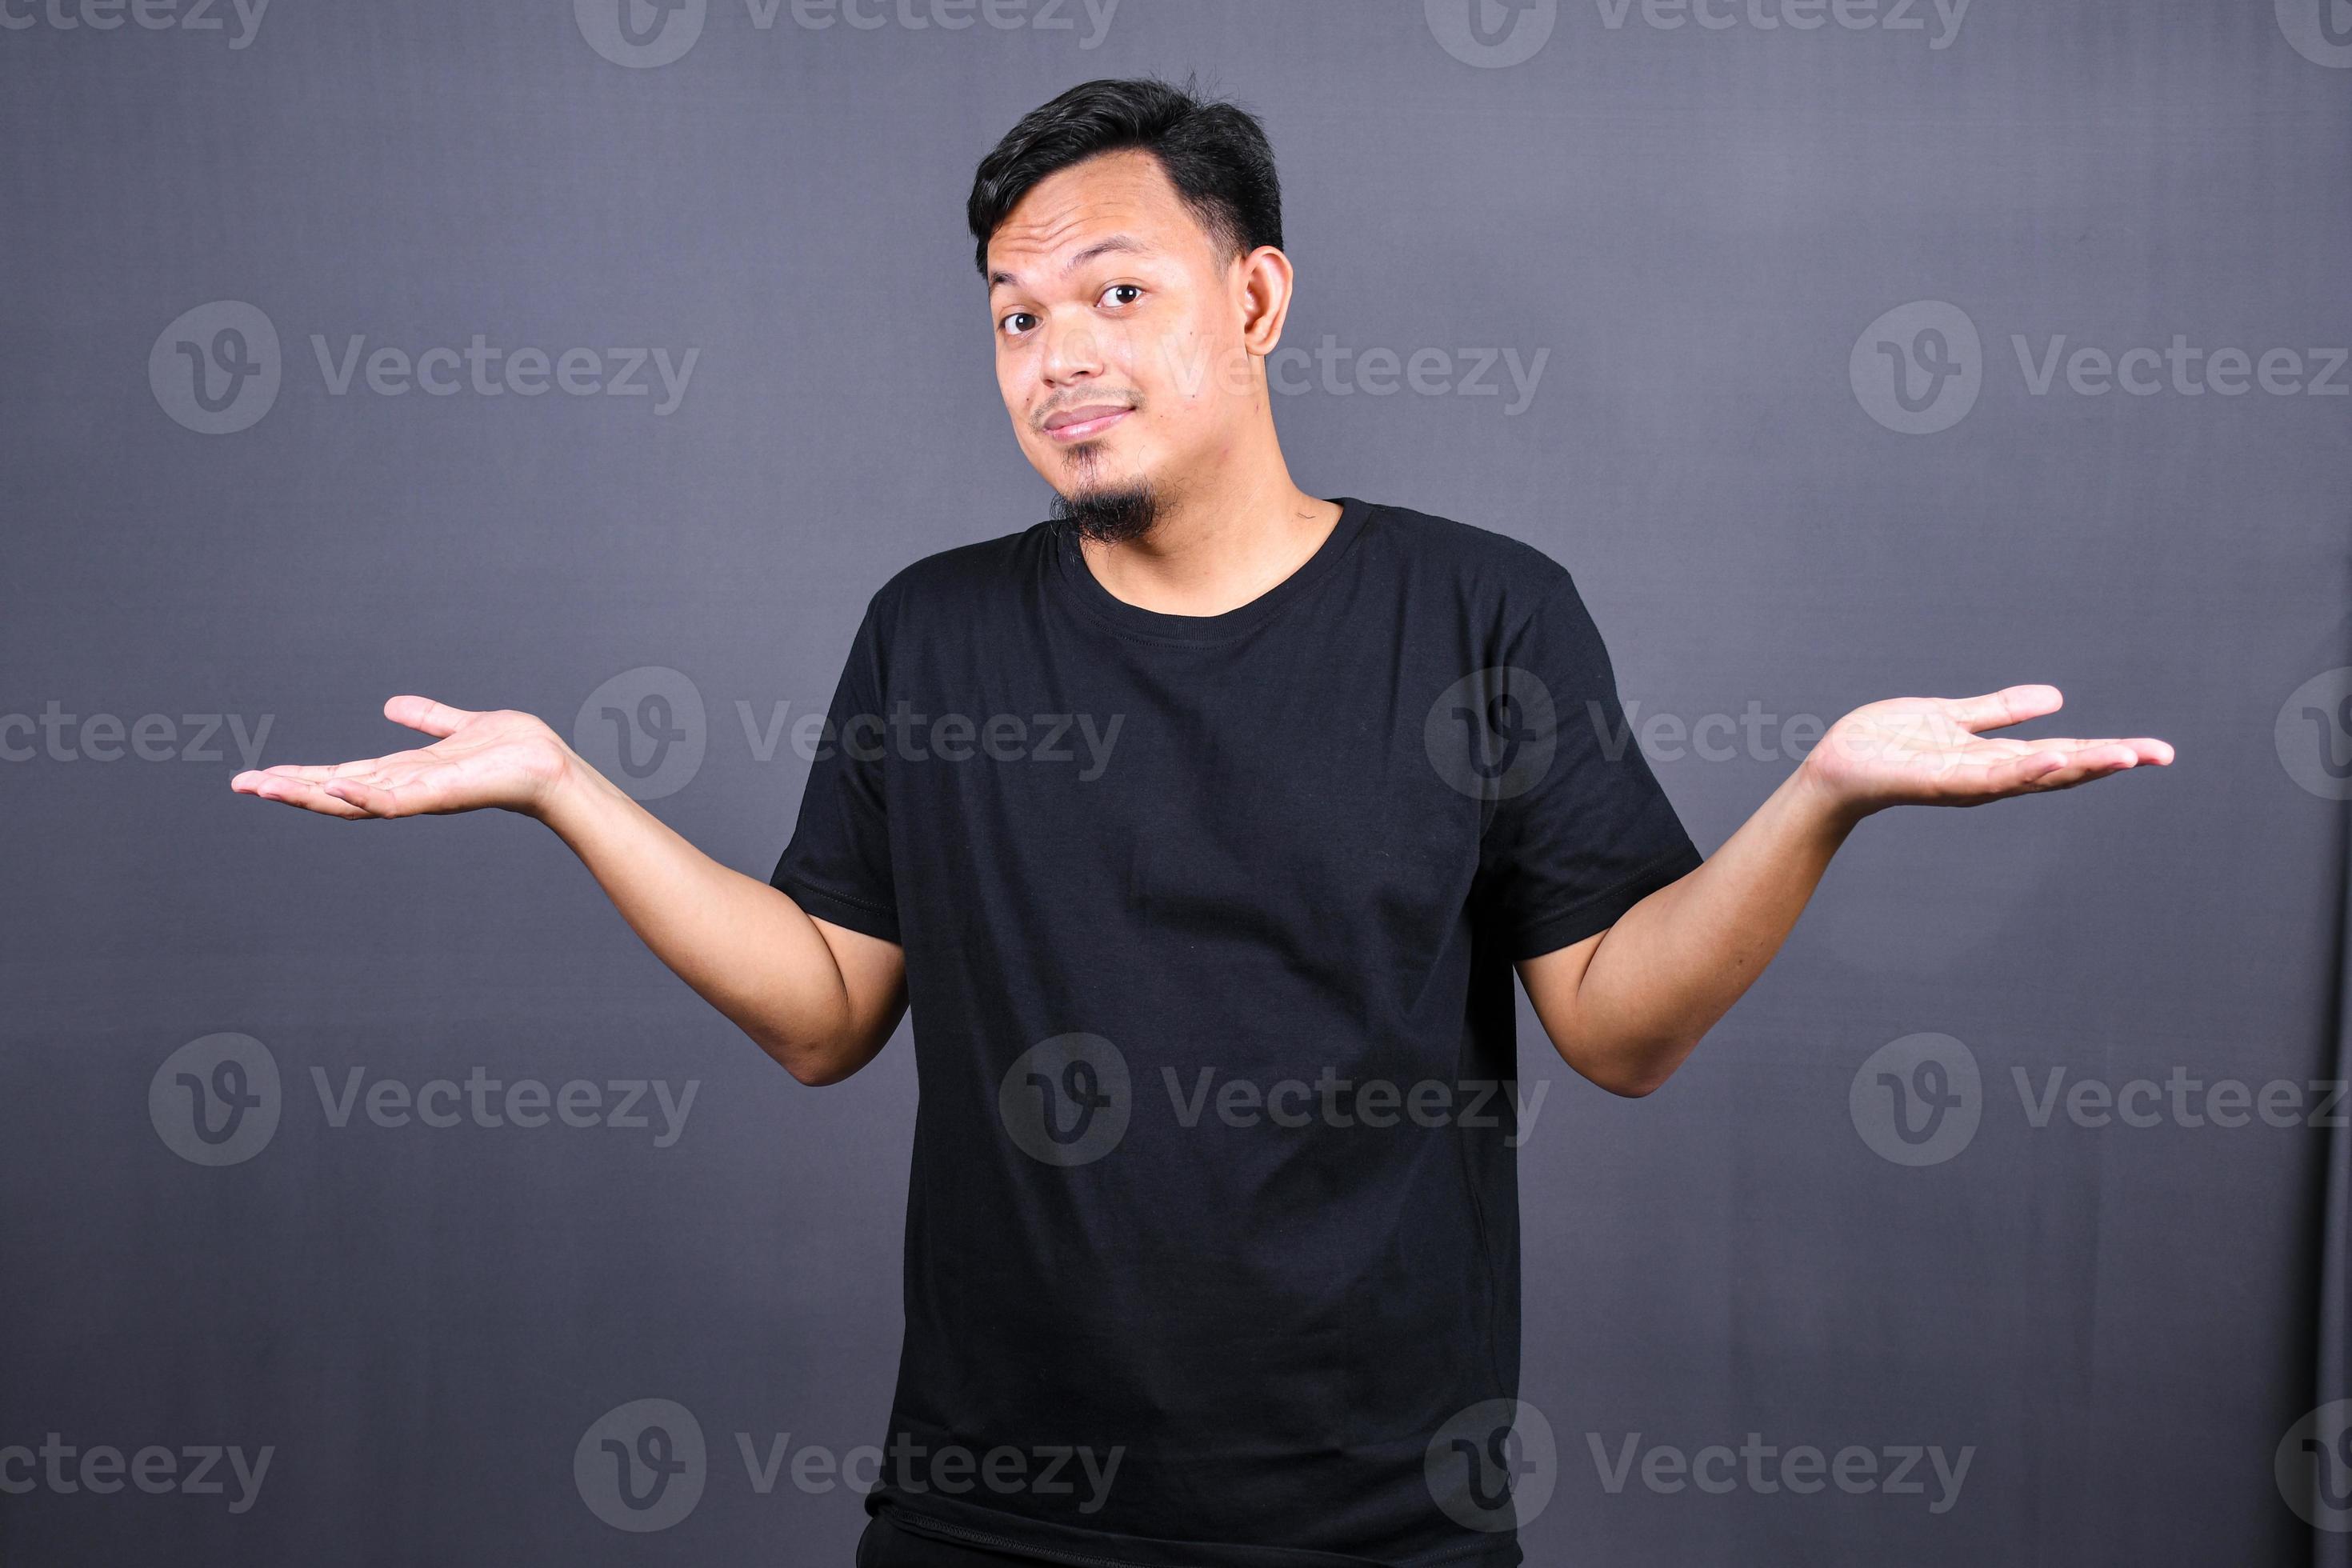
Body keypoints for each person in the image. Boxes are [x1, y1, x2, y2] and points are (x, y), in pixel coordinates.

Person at [230, 75, 2171, 1568]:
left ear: (1254, 297)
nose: (1058, 351)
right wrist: (569, 787)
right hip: (989, 1507)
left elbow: (1620, 1021)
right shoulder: (937, 626)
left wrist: (1820, 795)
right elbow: (826, 1007)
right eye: (1011, 316)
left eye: (1114, 290)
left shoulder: (1479, 609)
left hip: (1377, 1515)